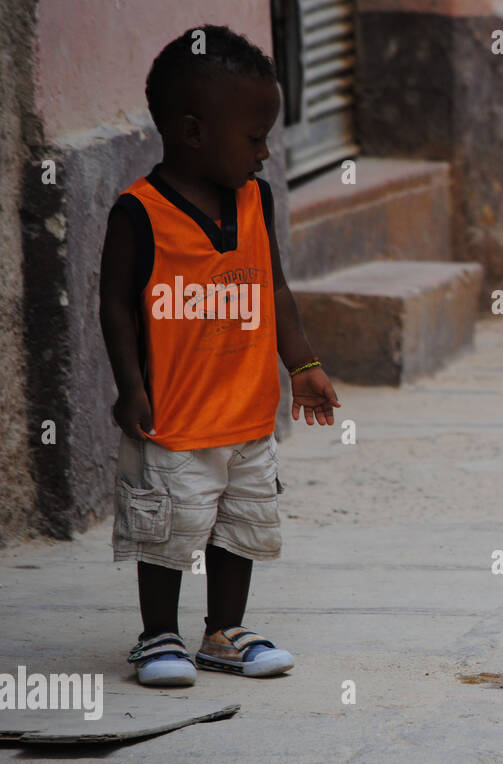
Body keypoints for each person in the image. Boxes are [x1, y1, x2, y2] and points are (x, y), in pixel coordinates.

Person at [98, 24, 339, 686]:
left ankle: (225, 633)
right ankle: (158, 637)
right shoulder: (140, 214)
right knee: (168, 529)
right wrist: (130, 386)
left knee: (240, 526)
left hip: (247, 415)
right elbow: (115, 306)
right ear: (193, 132)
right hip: (173, 417)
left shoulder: (256, 200)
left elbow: (276, 288)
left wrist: (304, 365)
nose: (266, 153)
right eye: (254, 138)